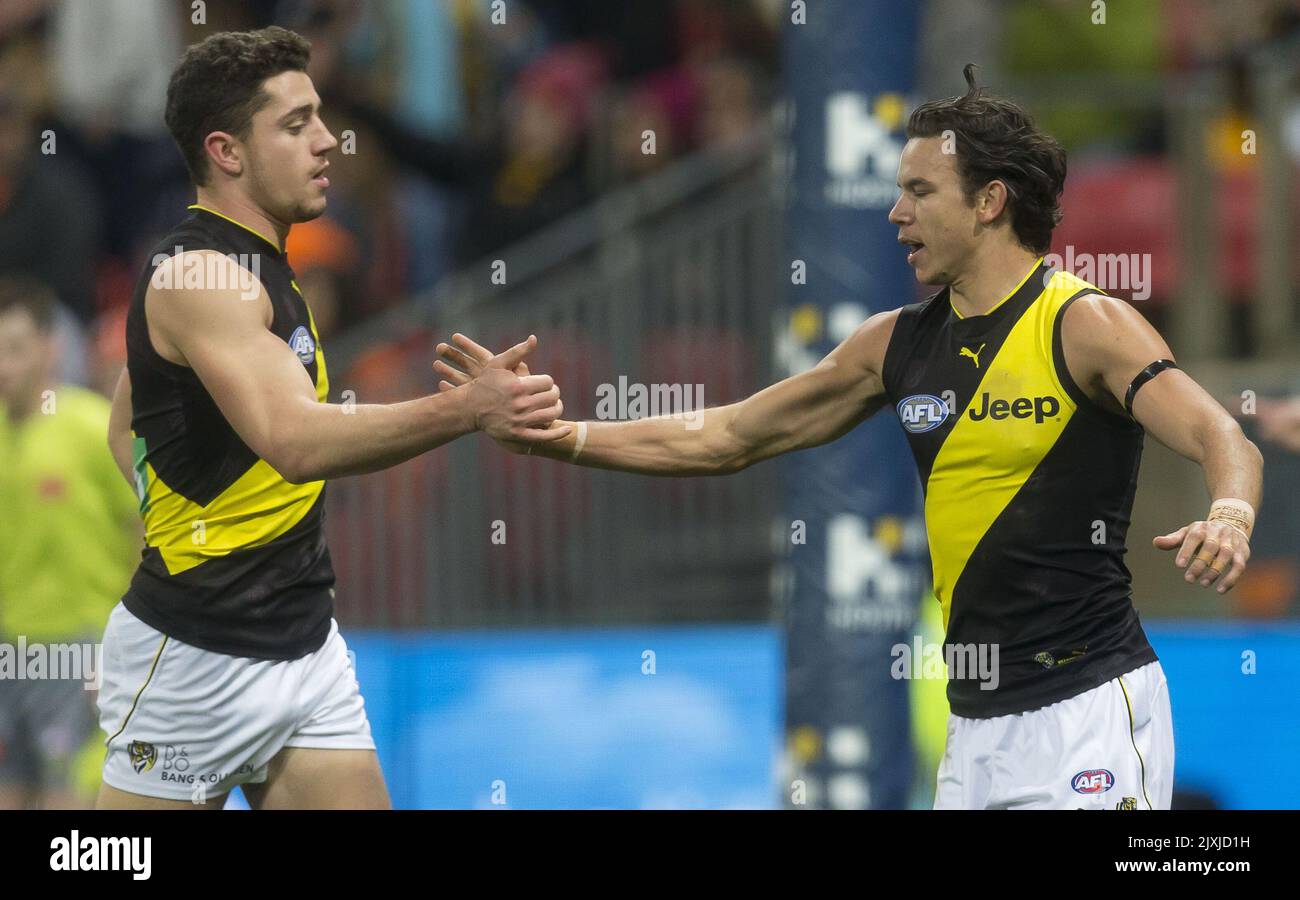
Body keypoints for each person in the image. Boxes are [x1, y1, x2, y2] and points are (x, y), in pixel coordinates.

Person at [437, 66, 1264, 810]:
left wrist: (1228, 513)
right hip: (975, 734)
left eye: (919, 190)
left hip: (1088, 710)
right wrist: (557, 437)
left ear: (989, 201)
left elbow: (1221, 431)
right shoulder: (892, 345)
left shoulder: (1085, 324)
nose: (896, 212)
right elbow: (727, 435)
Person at [97, 26, 568, 810]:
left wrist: (170, 513)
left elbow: (130, 422)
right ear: (226, 152)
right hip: (192, 660)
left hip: (305, 648)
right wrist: (467, 409)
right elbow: (294, 442)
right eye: (295, 124)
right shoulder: (203, 276)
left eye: (319, 116)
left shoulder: (267, 259)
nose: (326, 141)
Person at [0, 275, 138, 809]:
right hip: (10, 646)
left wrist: (127, 640)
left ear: (50, 347)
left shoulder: (92, 428)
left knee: (69, 800)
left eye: (15, 348)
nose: (4, 366)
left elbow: (147, 530)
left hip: (82, 647)